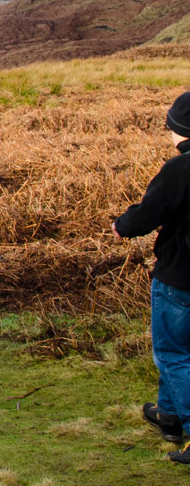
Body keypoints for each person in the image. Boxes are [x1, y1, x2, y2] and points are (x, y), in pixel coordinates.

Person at [114, 92, 190, 463]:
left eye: (172, 127)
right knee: (175, 349)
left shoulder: (180, 169)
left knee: (172, 352)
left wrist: (120, 226)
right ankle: (170, 418)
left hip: (180, 276)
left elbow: (147, 214)